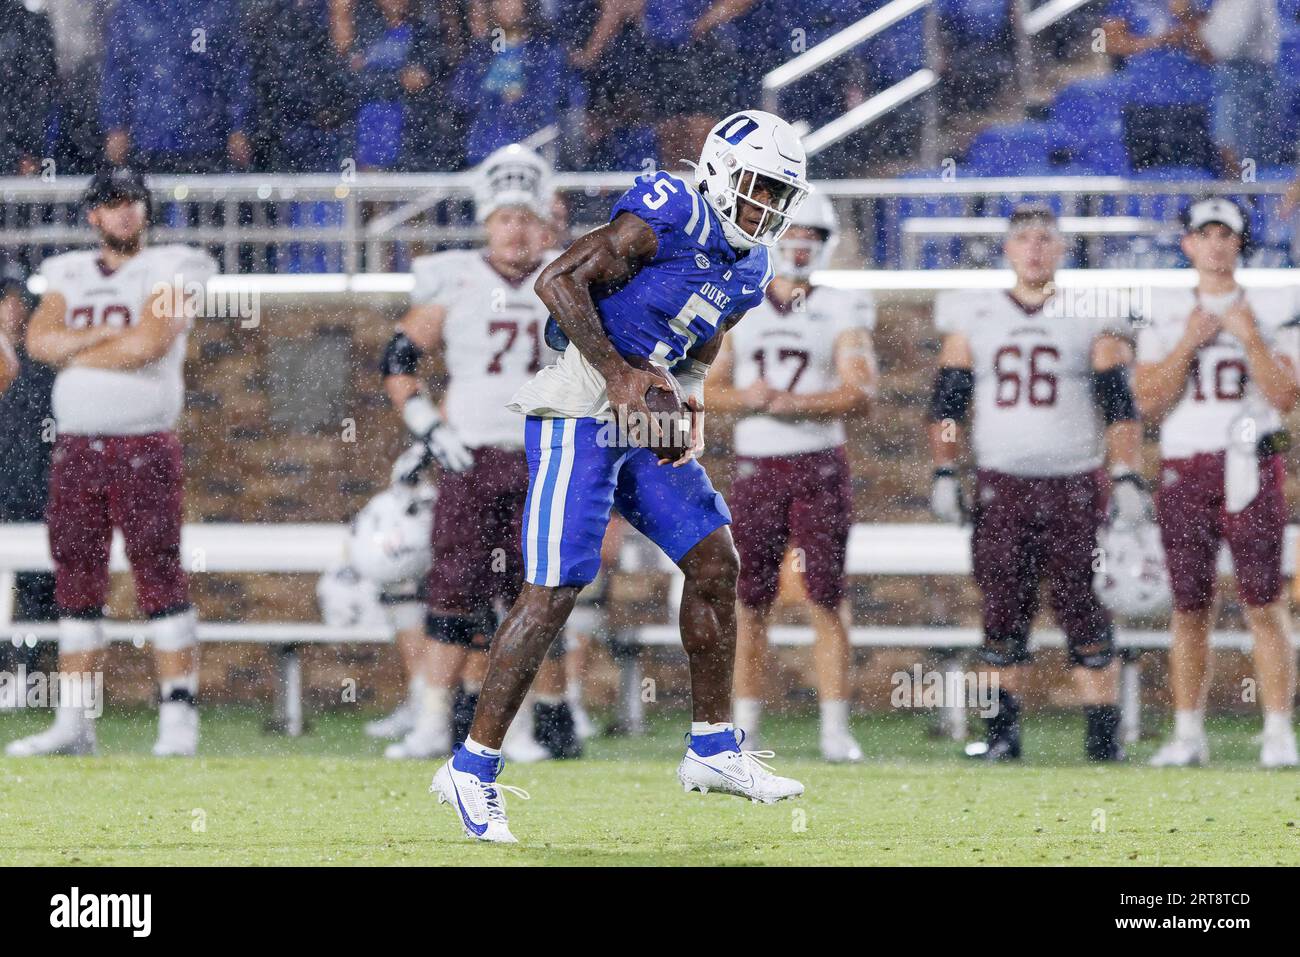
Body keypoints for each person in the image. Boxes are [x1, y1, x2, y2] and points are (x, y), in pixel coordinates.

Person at [431, 110, 811, 843]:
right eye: (759, 186)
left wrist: (686, 397)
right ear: (723, 173)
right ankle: (470, 769)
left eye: (780, 194)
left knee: (713, 560)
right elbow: (558, 281)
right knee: (554, 588)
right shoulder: (669, 212)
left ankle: (712, 746)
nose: (768, 206)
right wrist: (619, 376)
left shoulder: (753, 266)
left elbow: (706, 334)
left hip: (641, 408)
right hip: (581, 398)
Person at [6, 169, 215, 758]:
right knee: (76, 581)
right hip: (77, 448)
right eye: (111, 204)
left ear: (145, 210)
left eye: (133, 203)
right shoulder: (69, 270)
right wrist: (109, 337)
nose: (124, 213)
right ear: (93, 214)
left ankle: (178, 717)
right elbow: (40, 342)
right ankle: (75, 721)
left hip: (144, 444)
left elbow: (149, 343)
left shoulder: (176, 265)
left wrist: (81, 342)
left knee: (159, 573)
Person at [927, 203, 1145, 762]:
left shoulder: (1091, 315)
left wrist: (1125, 474)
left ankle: (1103, 739)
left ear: (1063, 249)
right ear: (1007, 248)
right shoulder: (975, 315)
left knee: (1084, 603)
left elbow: (1119, 406)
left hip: (1075, 482)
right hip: (1003, 483)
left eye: (1045, 239)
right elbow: (948, 403)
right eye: (1024, 238)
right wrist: (946, 469)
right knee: (1002, 606)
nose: (1035, 248)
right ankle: (1002, 736)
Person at [378, 144, 570, 762]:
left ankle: (514, 730)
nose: (516, 229)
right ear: (487, 220)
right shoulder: (455, 278)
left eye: (527, 217)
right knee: (453, 592)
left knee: (529, 599)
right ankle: (433, 722)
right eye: (505, 216)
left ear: (545, 222)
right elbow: (399, 358)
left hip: (541, 457)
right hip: (470, 457)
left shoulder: (564, 279)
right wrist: (429, 429)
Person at [706, 192, 877, 762]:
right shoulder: (740, 300)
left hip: (819, 464)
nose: (800, 244)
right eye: (793, 231)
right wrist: (747, 398)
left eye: (813, 235)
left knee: (826, 597)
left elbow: (861, 393)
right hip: (758, 466)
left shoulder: (843, 308)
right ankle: (745, 728)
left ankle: (834, 728)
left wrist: (794, 405)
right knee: (749, 599)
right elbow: (705, 391)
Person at [1133, 197, 1299, 768]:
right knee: (1188, 606)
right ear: (1187, 244)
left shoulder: (1273, 306)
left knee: (1265, 601)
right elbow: (1148, 402)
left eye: (1225, 234)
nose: (1215, 244)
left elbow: (1284, 396)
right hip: (1185, 464)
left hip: (1250, 461)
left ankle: (1278, 732)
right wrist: (1188, 342)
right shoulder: (1165, 309)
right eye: (1204, 234)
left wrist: (1249, 338)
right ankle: (1187, 734)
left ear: (1239, 242)